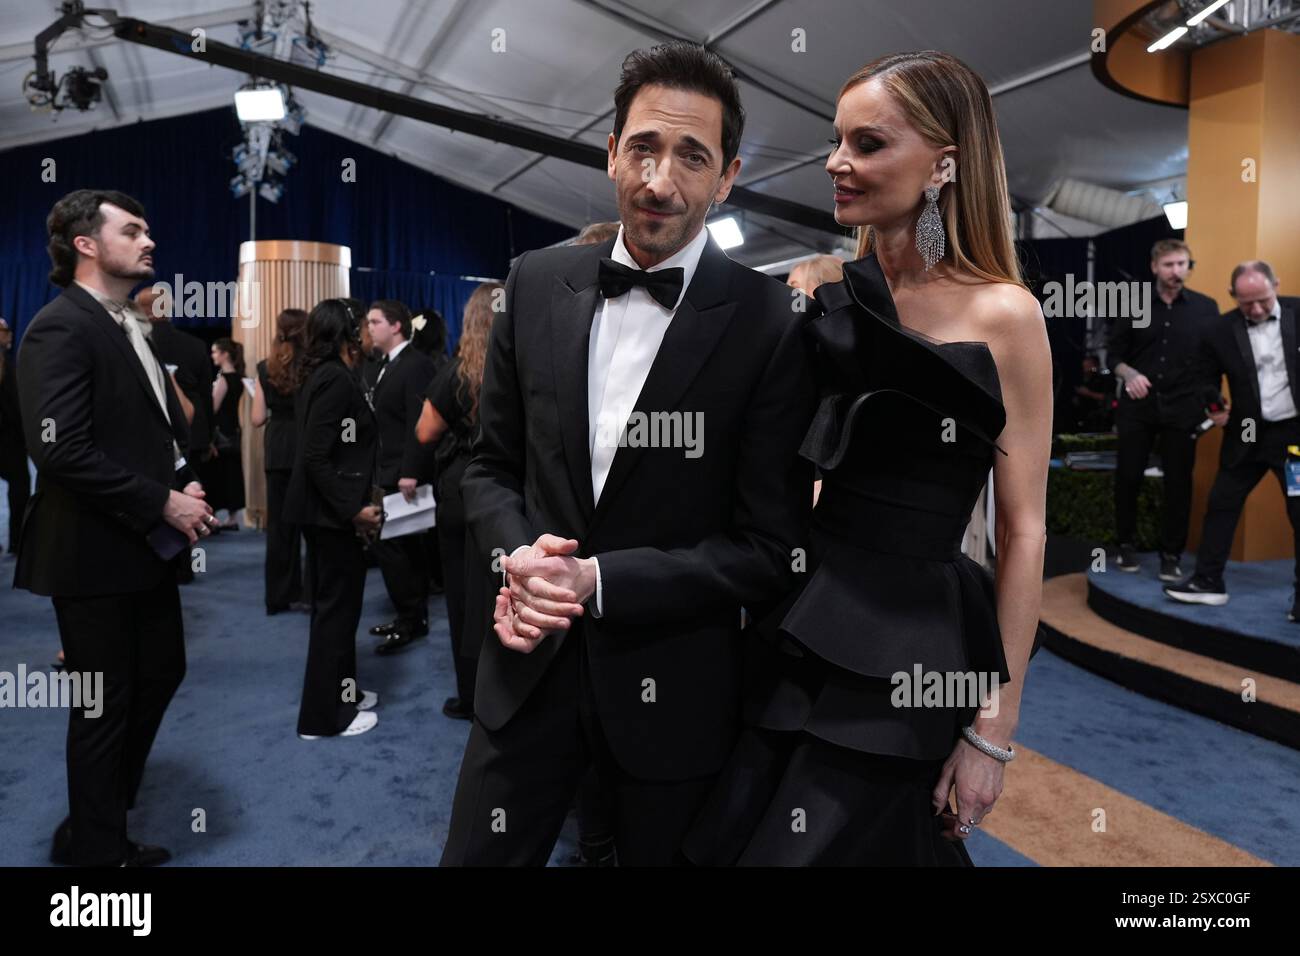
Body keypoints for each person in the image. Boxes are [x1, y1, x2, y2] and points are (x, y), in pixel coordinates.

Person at [439, 41, 816, 867]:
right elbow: (487, 468)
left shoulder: (771, 322)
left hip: (673, 696)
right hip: (526, 673)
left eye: (692, 156)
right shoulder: (535, 281)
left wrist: (599, 582)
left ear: (728, 177)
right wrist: (520, 558)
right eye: (643, 147)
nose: (659, 182)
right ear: (610, 152)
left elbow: (769, 550)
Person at [679, 50, 1051, 865]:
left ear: (945, 164)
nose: (836, 163)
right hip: (796, 622)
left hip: (908, 647)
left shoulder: (1005, 315)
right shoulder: (831, 301)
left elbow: (1024, 531)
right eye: (837, 140)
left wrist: (993, 733)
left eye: (868, 143)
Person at [16, 189, 216, 866]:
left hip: (139, 546)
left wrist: (180, 477)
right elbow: (60, 449)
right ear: (86, 245)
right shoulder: (60, 326)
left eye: (149, 227)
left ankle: (100, 809)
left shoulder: (126, 322)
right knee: (102, 706)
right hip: (92, 552)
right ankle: (97, 853)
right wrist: (163, 501)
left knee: (162, 670)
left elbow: (145, 432)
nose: (150, 239)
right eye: (133, 230)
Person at [1164, 261, 1300, 615]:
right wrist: (1214, 404)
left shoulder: (1299, 312)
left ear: (1276, 286)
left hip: (1294, 437)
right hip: (1247, 433)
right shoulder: (1219, 330)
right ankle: (1208, 582)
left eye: (1262, 301)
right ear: (1233, 297)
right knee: (1222, 504)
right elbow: (1204, 376)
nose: (1255, 310)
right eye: (1246, 303)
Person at [283, 299, 383, 739]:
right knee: (335, 616)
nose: (365, 332)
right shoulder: (334, 379)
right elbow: (315, 456)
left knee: (339, 612)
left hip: (327, 512)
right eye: (360, 324)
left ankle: (344, 695)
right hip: (328, 515)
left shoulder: (330, 374)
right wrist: (352, 509)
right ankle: (323, 719)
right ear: (347, 329)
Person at [415, 283, 503, 720]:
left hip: (464, 490)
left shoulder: (457, 373)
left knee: (463, 600)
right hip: (510, 493)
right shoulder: (529, 364)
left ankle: (471, 697)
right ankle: (506, 690)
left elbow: (425, 433)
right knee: (507, 592)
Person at [1109, 239, 1220, 580]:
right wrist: (1129, 374)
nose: (1177, 272)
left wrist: (1213, 404)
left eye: (1182, 264)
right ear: (1154, 267)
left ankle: (1170, 554)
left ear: (1189, 266)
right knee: (1128, 477)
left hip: (1183, 408)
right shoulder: (1133, 303)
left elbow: (1211, 364)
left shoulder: (1206, 308)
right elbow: (1114, 357)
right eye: (1169, 265)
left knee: (1179, 484)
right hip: (1138, 408)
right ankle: (1124, 546)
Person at [364, 299, 439, 654]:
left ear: (396, 326)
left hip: (403, 475)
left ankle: (412, 620)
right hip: (387, 470)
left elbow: (418, 423)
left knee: (401, 550)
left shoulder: (416, 365)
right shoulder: (384, 364)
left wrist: (411, 470)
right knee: (396, 549)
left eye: (375, 321)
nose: (369, 328)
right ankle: (408, 616)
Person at [252, 307, 309, 615]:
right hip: (306, 446)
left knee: (279, 528)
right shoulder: (313, 366)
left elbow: (257, 418)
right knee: (312, 525)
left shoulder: (264, 367)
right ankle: (312, 594)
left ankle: (278, 597)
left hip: (277, 448)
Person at [207, 337, 247, 530]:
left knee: (220, 474)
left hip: (221, 431)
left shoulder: (224, 379)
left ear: (225, 354)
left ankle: (222, 517)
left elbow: (213, 408)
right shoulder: (239, 377)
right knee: (232, 473)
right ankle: (233, 516)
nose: (212, 355)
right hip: (233, 429)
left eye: (215, 352)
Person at [0, 316, 30, 557]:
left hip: (12, 440)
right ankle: (16, 543)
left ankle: (17, 542)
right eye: (5, 331)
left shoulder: (11, 363)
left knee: (19, 490)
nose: (9, 335)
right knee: (19, 489)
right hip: (9, 439)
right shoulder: (9, 364)